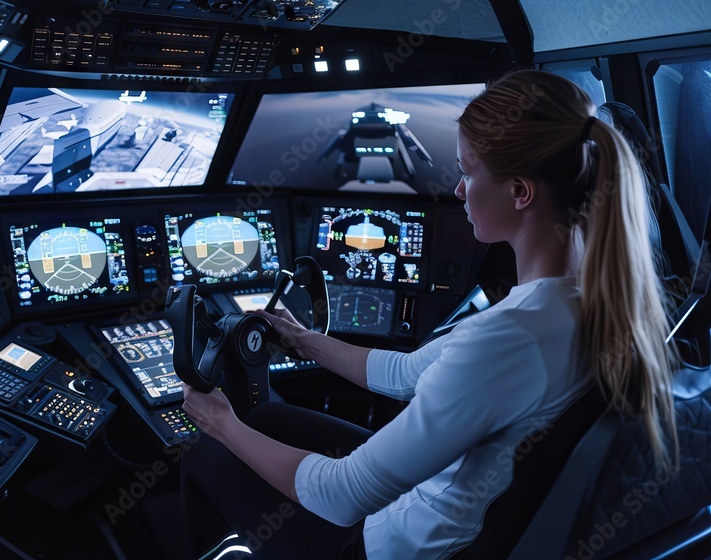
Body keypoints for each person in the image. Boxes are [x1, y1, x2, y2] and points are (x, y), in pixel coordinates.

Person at [180, 69, 679, 559]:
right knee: (265, 415)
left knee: (206, 453)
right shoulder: (586, 300)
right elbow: (403, 373)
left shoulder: (509, 336)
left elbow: (342, 495)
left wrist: (220, 423)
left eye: (467, 171)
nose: (459, 191)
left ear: (520, 191)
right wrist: (301, 339)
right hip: (453, 512)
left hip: (389, 547)